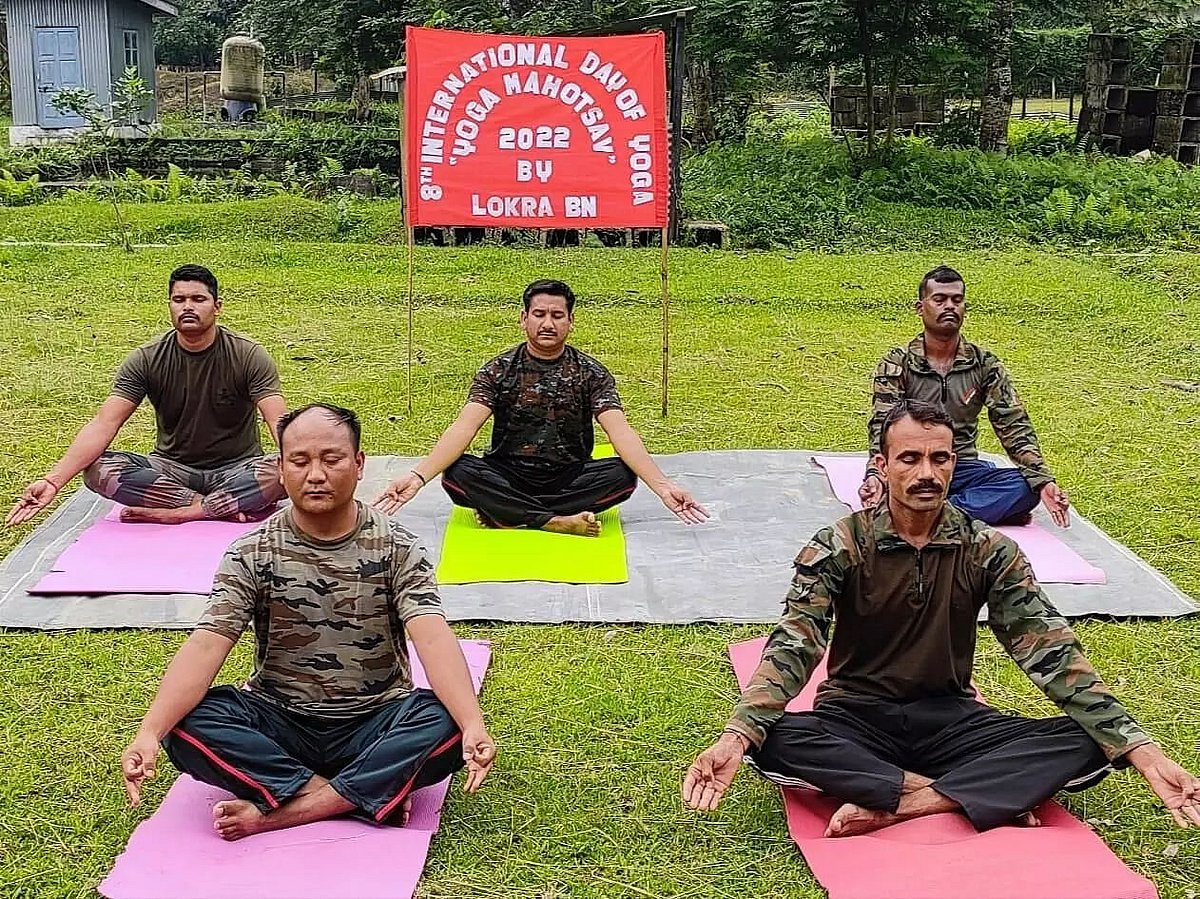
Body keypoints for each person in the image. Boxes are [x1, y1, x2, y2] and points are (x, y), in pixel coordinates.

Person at [684, 400, 1199, 836]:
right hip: (856, 716)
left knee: (1090, 738)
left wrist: (1145, 753)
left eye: (939, 458)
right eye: (909, 458)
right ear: (882, 466)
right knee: (771, 738)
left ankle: (907, 801)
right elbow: (795, 645)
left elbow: (1052, 652)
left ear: (955, 464)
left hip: (951, 718)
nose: (926, 473)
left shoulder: (988, 550)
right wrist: (735, 738)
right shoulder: (839, 544)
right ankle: (970, 790)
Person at [120, 403, 495, 841]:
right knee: (184, 721)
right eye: (299, 461)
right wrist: (149, 731)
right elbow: (207, 644)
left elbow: (432, 636)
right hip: (280, 722)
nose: (315, 474)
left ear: (358, 466)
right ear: (280, 469)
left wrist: (473, 725)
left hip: (376, 720)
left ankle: (288, 810)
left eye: (331, 459)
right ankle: (361, 795)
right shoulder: (253, 551)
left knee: (444, 720)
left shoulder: (397, 547)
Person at [375, 279, 707, 537]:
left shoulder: (590, 372)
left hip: (568, 477)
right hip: (507, 474)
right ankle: (554, 521)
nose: (547, 323)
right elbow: (464, 427)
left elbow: (619, 430)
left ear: (570, 322)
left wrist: (663, 486)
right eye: (539, 314)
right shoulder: (499, 369)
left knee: (622, 476)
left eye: (557, 315)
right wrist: (417, 477)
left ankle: (508, 514)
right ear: (524, 319)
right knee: (458, 473)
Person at [5, 264, 286, 528]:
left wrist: (300, 466)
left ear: (217, 307)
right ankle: (208, 506)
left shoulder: (248, 354)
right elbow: (104, 424)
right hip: (173, 471)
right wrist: (53, 481)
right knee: (98, 470)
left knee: (282, 471)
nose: (187, 306)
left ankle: (186, 512)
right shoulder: (146, 358)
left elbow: (279, 422)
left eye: (198, 299)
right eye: (179, 300)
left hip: (238, 468)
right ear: (170, 306)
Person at [858, 265, 1071, 527]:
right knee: (895, 485)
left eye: (956, 300)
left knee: (1026, 486)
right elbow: (882, 425)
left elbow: (1013, 424)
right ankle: (964, 511)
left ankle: (935, 514)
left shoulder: (984, 365)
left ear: (964, 309)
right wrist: (875, 476)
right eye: (939, 299)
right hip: (912, 466)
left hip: (960, 467)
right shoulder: (898, 363)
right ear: (920, 307)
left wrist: (1043, 481)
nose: (949, 306)